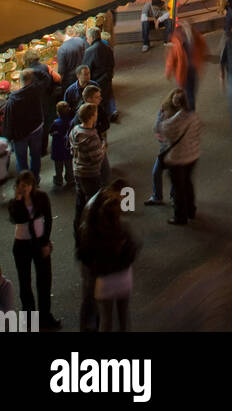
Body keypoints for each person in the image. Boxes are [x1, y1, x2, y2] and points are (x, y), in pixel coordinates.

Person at [76, 183, 138, 332]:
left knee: (106, 316)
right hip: (113, 276)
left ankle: (89, 326)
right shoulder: (116, 225)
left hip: (103, 276)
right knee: (113, 313)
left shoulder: (103, 217)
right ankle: (88, 326)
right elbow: (132, 251)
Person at [7, 171, 61, 329]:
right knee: (25, 283)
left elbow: (48, 219)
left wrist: (46, 243)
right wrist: (18, 199)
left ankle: (45, 317)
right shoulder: (14, 203)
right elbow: (16, 219)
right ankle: (29, 321)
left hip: (39, 242)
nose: (24, 188)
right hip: (21, 245)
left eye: (27, 185)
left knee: (44, 280)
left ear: (32, 186)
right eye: (21, 185)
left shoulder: (42, 198)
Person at [161, 89, 202, 226]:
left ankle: (180, 217)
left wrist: (164, 117)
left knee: (178, 188)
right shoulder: (194, 117)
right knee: (188, 183)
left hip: (178, 158)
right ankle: (191, 210)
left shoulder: (173, 122)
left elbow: (164, 132)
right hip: (193, 155)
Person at [69, 104, 105, 232]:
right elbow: (96, 158)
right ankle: (91, 229)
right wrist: (102, 149)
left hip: (78, 170)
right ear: (91, 117)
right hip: (91, 173)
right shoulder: (92, 137)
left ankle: (78, 225)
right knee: (94, 202)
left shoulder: (75, 130)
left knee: (80, 200)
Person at [3, 71, 44, 178]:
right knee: (35, 156)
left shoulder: (12, 100)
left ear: (20, 81)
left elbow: (9, 120)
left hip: (20, 135)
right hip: (36, 129)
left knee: (21, 159)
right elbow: (45, 77)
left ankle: (25, 181)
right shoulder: (36, 90)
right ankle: (35, 179)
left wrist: (8, 137)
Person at [84, 27, 115, 114]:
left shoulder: (90, 51)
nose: (87, 40)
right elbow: (112, 64)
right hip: (107, 80)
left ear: (92, 37)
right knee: (105, 104)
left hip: (96, 82)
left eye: (87, 38)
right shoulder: (108, 48)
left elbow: (87, 69)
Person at [49, 100, 74, 189]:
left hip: (57, 149)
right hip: (68, 148)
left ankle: (58, 180)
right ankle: (70, 179)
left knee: (58, 167)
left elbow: (51, 132)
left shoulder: (56, 123)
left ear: (57, 112)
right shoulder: (71, 122)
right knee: (69, 165)